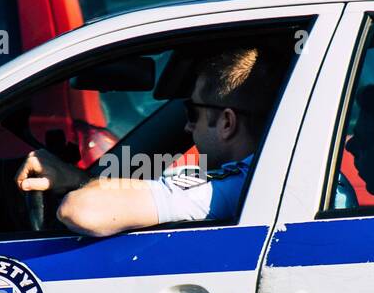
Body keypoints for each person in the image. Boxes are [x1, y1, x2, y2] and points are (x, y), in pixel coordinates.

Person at [16, 45, 283, 237]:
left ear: (227, 123)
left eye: (193, 112)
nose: (187, 125)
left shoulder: (232, 187)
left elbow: (80, 210)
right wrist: (77, 179)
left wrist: (80, 190)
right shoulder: (272, 176)